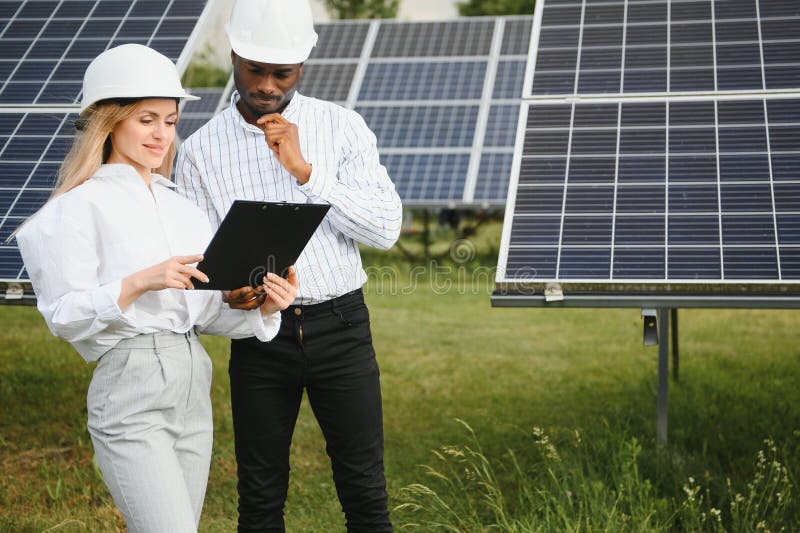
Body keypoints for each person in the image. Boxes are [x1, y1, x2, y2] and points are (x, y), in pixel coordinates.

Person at [15, 44, 299, 533]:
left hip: (192, 382)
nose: (161, 135)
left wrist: (259, 305)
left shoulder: (181, 208)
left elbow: (204, 313)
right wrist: (138, 282)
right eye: (147, 119)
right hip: (131, 383)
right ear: (110, 121)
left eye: (169, 121)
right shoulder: (76, 208)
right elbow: (62, 315)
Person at [174, 1, 403, 530]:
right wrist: (232, 296)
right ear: (235, 55)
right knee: (259, 493)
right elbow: (204, 267)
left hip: (342, 329)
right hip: (258, 339)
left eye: (283, 73)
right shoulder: (202, 152)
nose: (269, 86)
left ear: (303, 66)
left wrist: (305, 172)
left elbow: (385, 230)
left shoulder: (341, 128)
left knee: (364, 487)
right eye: (256, 70)